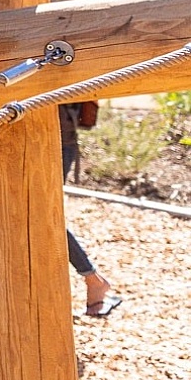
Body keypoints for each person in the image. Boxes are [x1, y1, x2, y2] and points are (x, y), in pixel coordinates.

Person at [58, 101, 122, 317]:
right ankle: (93, 280)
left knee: (46, 219)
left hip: (56, 141)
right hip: (47, 139)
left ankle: (93, 280)